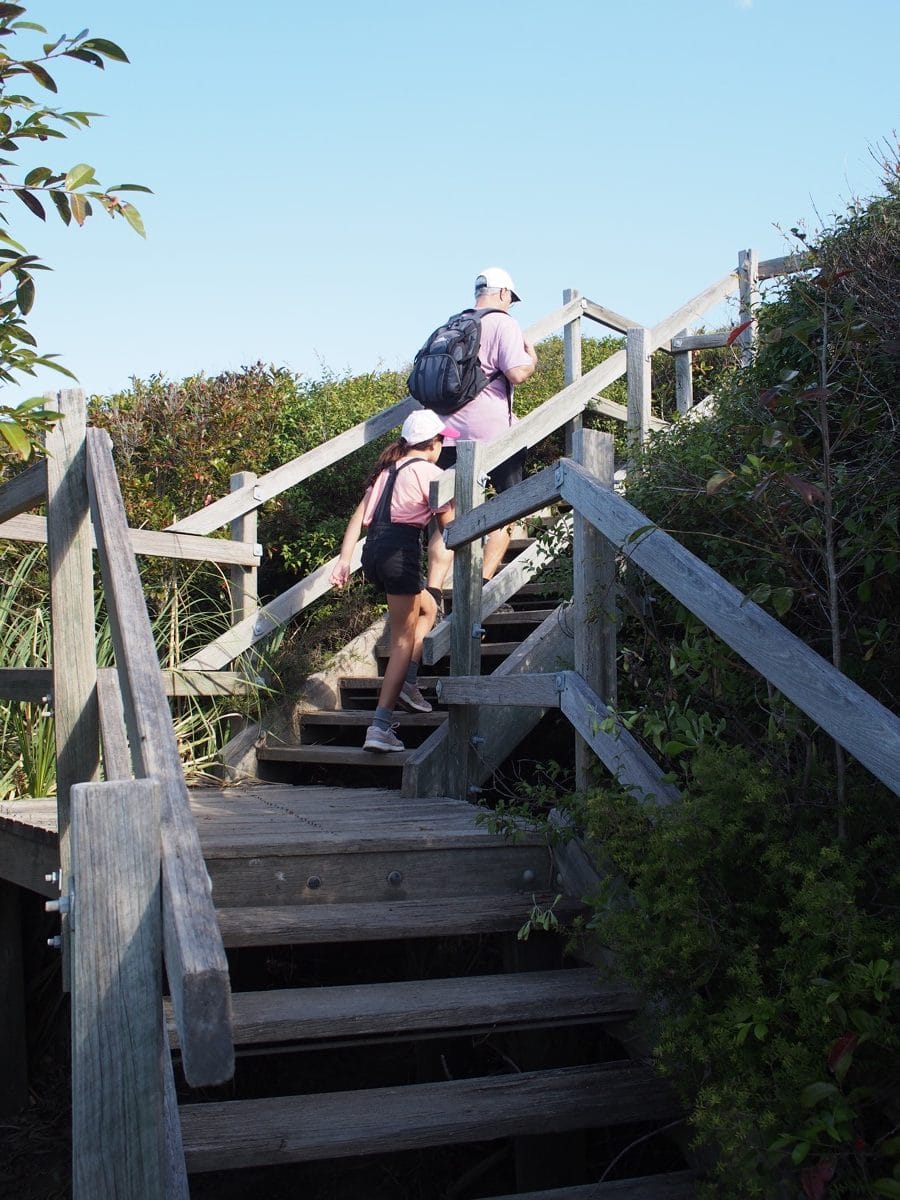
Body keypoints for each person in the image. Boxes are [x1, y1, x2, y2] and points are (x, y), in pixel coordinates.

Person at [330, 408, 455, 753]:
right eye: (442, 443)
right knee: (402, 640)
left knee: (428, 608)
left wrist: (344, 560)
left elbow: (358, 517)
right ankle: (380, 726)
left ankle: (408, 683)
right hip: (400, 552)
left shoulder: (386, 471)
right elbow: (450, 528)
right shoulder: (432, 473)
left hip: (372, 553)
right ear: (434, 443)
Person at [437, 266, 538, 583]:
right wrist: (532, 361)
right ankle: (480, 583)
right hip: (491, 434)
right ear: (504, 293)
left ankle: (436, 587)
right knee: (510, 505)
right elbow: (516, 373)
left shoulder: (452, 324)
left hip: (445, 434)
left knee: (446, 514)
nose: (510, 305)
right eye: (511, 299)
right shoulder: (503, 322)